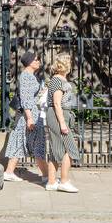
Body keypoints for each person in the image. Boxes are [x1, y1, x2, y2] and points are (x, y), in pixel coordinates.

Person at [3, 52, 47, 182]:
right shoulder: (26, 77)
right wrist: (30, 118)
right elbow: (26, 99)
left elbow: (31, 96)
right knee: (37, 142)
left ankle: (9, 172)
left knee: (20, 140)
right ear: (30, 62)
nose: (39, 61)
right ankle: (46, 176)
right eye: (36, 59)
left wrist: (41, 92)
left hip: (28, 114)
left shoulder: (30, 76)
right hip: (28, 115)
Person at [44, 53, 81, 193]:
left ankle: (51, 182)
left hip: (60, 115)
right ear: (65, 64)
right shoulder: (58, 81)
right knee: (70, 149)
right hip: (58, 115)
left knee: (56, 149)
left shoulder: (59, 79)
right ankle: (64, 182)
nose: (71, 64)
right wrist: (63, 124)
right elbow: (56, 104)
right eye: (69, 61)